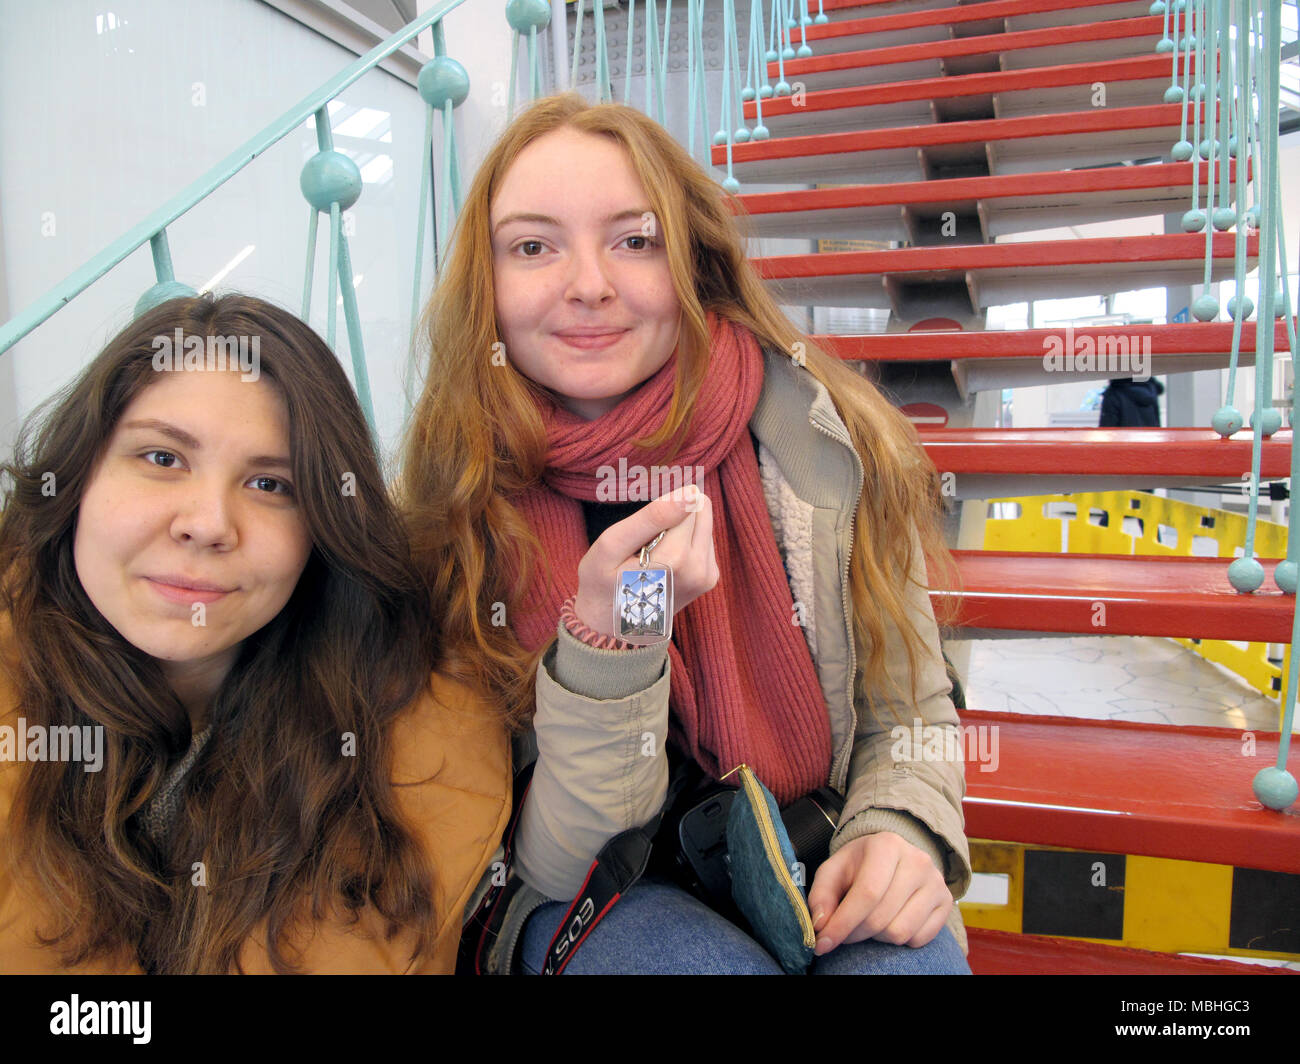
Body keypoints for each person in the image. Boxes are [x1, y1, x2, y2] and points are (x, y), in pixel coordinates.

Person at [401, 92, 971, 974]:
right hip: (599, 891)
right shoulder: (454, 509)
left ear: (694, 262)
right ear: (489, 283)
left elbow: (910, 713)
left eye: (636, 240)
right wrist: (611, 643)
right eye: (532, 246)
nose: (589, 284)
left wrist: (903, 827)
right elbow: (554, 861)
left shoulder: (822, 443)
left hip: (811, 844)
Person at [0, 294, 509, 974]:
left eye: (270, 483)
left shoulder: (409, 737)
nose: (208, 522)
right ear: (79, 479)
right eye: (162, 457)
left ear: (323, 530)